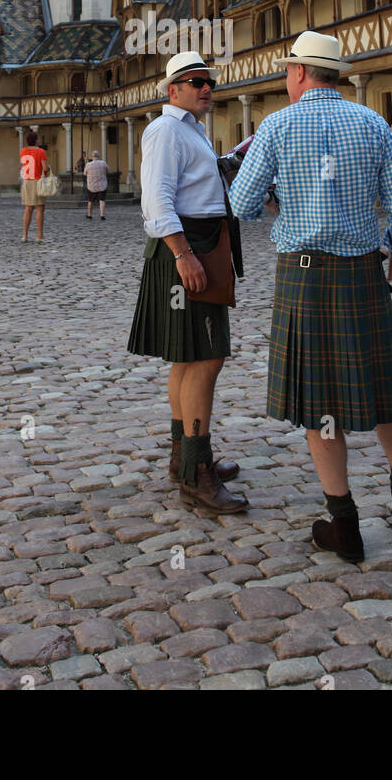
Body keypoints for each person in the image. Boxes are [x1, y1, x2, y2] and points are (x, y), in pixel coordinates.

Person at [229, 31, 392, 564]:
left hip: (305, 277)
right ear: (333, 74)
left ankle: (346, 527)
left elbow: (242, 203)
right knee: (387, 391)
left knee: (321, 406)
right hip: (362, 275)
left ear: (298, 74)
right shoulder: (373, 124)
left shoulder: (277, 126)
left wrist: (284, 206)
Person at [127, 50, 247, 516]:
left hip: (200, 244)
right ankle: (197, 476)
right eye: (195, 81)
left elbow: (193, 182)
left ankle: (186, 459)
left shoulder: (189, 130)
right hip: (188, 248)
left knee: (188, 357)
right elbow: (157, 197)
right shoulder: (164, 130)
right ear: (172, 88)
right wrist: (183, 254)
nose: (206, 88)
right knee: (205, 357)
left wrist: (227, 161)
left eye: (208, 81)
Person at [20, 129, 48, 242]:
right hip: (37, 182)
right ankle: (39, 236)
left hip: (27, 181)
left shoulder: (23, 151)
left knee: (28, 209)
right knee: (40, 209)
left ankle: (25, 235)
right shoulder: (41, 152)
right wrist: (48, 169)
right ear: (36, 140)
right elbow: (45, 168)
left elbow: (23, 165)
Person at [84, 151, 109, 220]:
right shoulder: (103, 163)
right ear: (98, 156)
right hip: (102, 185)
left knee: (90, 201)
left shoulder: (88, 164)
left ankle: (89, 215)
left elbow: (85, 173)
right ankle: (102, 215)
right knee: (102, 200)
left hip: (91, 186)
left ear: (92, 157)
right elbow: (108, 171)